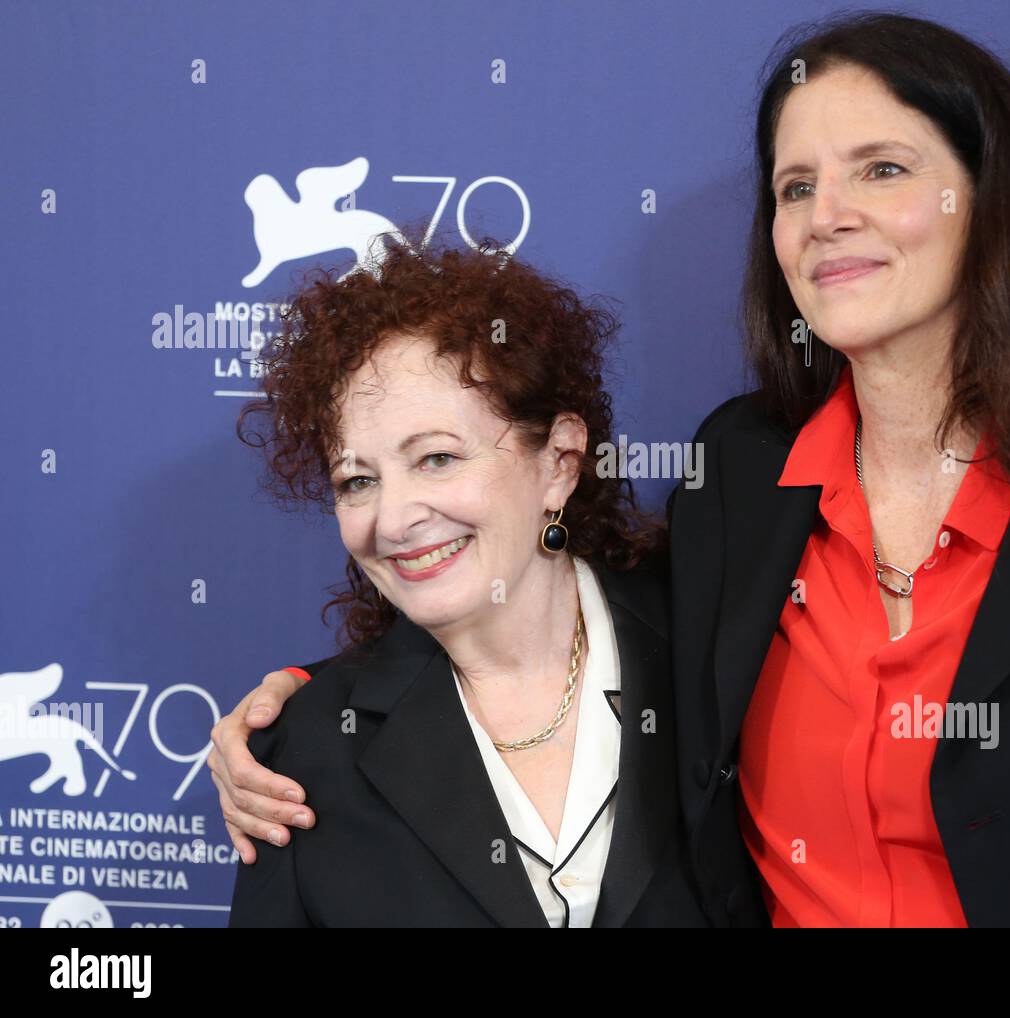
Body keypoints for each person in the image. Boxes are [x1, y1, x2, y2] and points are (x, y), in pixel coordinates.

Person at [214, 13, 1010, 927]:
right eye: (793, 186)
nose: (827, 214)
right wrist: (297, 710)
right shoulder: (743, 476)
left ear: (993, 195)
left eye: (881, 168)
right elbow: (546, 616)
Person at [225, 236, 707, 927]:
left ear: (561, 461)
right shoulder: (298, 755)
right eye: (358, 480)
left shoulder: (713, 663)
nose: (393, 519)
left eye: (437, 459)